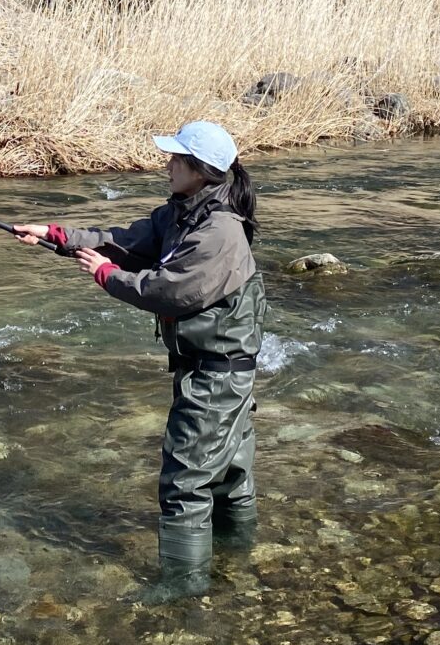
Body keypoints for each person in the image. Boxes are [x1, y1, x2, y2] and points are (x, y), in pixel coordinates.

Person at [14, 120, 264, 601]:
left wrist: (106, 277)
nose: (166, 164)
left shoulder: (219, 233)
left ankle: (182, 591)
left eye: (176, 158)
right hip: (215, 368)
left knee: (184, 486)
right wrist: (55, 235)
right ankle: (239, 559)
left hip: (217, 375)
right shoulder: (181, 213)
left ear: (200, 170)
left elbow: (169, 292)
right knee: (231, 471)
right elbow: (123, 241)